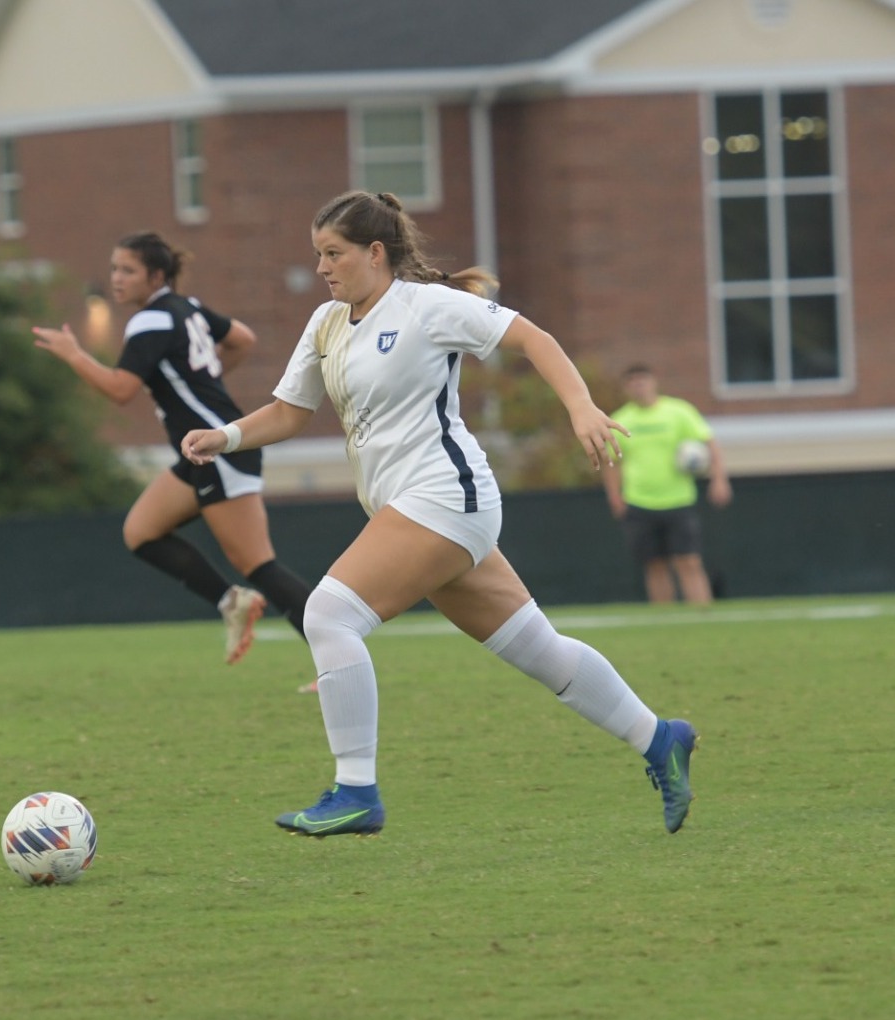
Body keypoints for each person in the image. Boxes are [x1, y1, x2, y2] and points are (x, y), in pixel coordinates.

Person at [180, 190, 697, 837]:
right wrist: (222, 437)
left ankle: (356, 790)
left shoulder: (425, 307)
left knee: (327, 612)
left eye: (333, 253)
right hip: (417, 508)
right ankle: (660, 739)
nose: (321, 268)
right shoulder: (327, 324)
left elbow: (530, 337)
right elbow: (289, 411)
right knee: (539, 650)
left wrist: (581, 406)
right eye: (317, 255)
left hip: (446, 495)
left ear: (375, 253)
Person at [33, 232, 312, 670]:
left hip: (218, 448)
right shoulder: (189, 308)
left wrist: (73, 354)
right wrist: (208, 380)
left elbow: (121, 390)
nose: (117, 279)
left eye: (127, 270)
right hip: (201, 450)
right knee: (141, 532)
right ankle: (230, 601)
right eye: (114, 269)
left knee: (259, 564)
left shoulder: (149, 320)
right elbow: (243, 338)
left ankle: (339, 660)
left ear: (156, 275)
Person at [602, 364, 731, 605]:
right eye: (632, 382)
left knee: (689, 561)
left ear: (654, 382)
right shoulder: (621, 420)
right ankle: (664, 618)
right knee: (654, 564)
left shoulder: (678, 412)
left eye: (643, 380)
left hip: (678, 499)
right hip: (639, 501)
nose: (638, 386)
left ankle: (703, 613)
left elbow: (709, 443)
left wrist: (719, 479)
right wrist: (614, 496)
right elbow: (612, 462)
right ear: (626, 388)